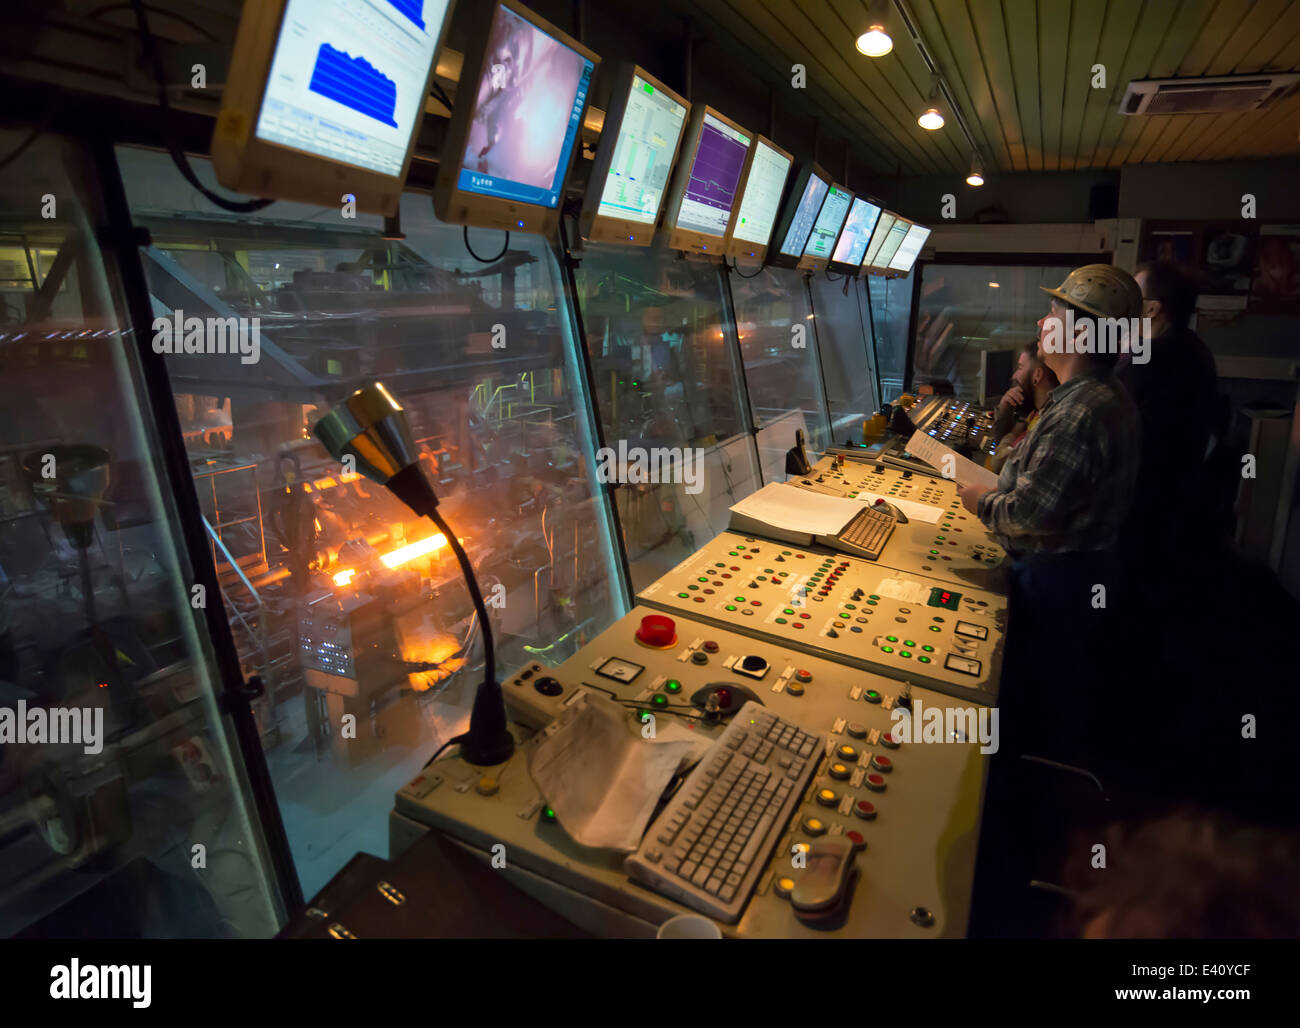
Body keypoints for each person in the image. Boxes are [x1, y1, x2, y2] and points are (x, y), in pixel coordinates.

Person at [957, 264, 1142, 759]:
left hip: (1057, 581)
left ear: (1079, 332)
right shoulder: (1094, 397)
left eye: (1051, 314)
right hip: (1075, 574)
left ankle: (1015, 799)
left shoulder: (1081, 410)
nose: (1041, 324)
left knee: (1028, 707)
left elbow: (1031, 514)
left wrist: (977, 500)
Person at [1116, 261, 1220, 568]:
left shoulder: (1155, 358)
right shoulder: (1192, 348)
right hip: (1173, 508)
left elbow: (1110, 429)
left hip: (1141, 511)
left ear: (1151, 310)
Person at [988, 339, 1059, 472]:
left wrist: (1014, 432)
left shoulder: (1041, 423)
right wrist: (1005, 409)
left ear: (1037, 375)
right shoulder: (1035, 414)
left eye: (1020, 368)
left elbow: (998, 463)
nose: (1014, 376)